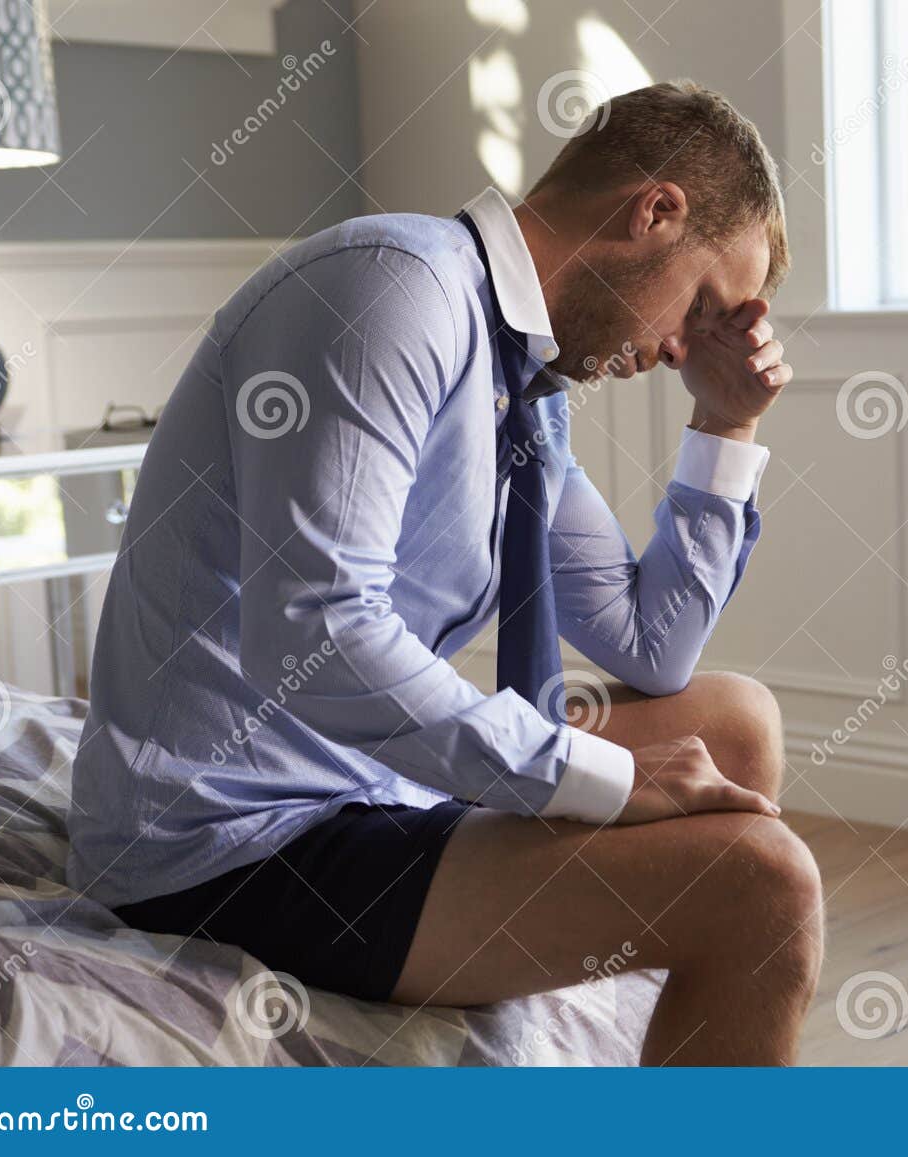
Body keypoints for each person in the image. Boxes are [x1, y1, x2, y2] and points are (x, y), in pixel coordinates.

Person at [67, 80, 820, 1066]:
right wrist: (594, 772)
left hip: (370, 785)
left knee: (735, 719)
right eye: (706, 307)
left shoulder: (525, 386)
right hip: (231, 842)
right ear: (655, 211)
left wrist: (726, 420)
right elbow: (316, 633)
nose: (684, 349)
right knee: (761, 881)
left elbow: (652, 645)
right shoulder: (390, 290)